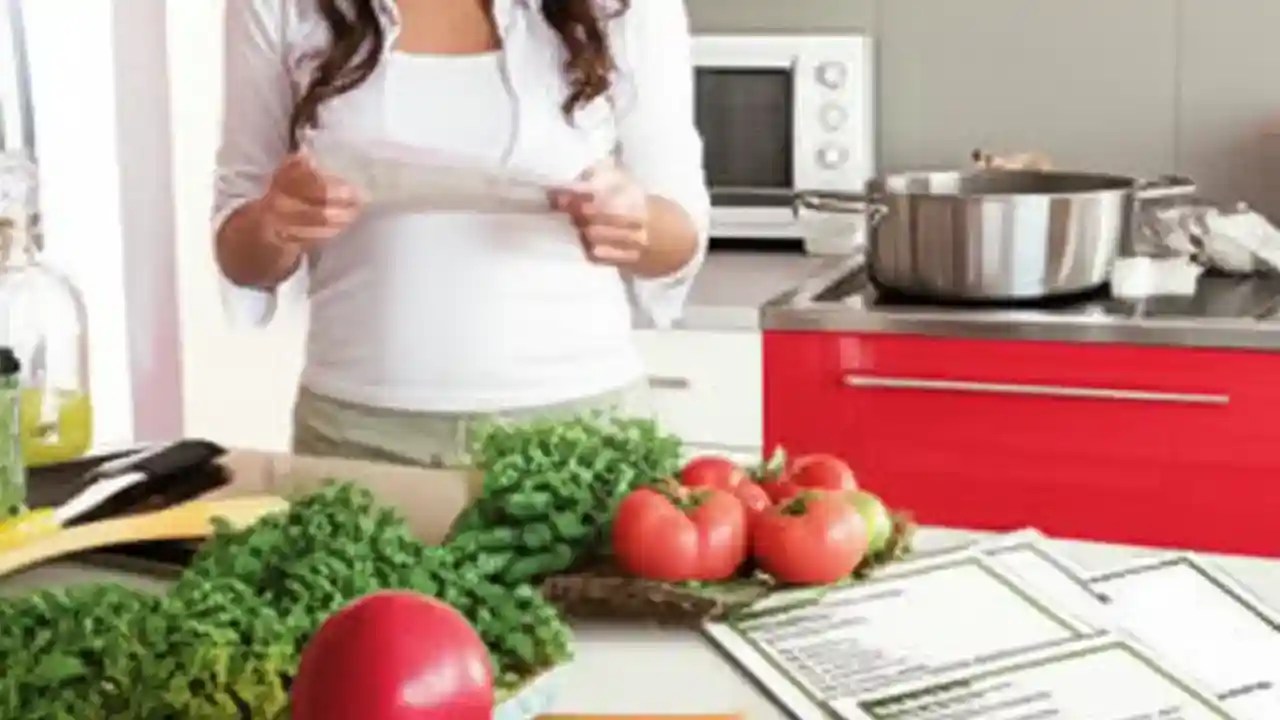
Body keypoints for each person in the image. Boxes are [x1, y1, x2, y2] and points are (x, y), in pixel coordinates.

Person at [213, 0, 710, 467]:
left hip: (580, 433)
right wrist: (275, 223)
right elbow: (239, 250)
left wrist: (635, 222)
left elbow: (680, 236)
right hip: (357, 430)